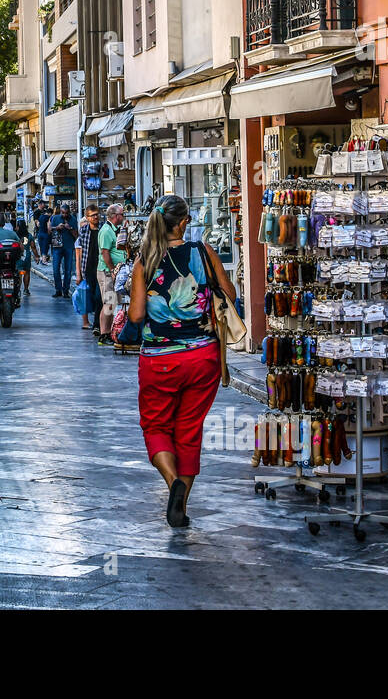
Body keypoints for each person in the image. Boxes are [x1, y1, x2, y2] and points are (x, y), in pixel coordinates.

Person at [129, 195, 237, 528]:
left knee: (157, 426)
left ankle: (172, 480)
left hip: (160, 360)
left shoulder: (144, 260)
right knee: (189, 430)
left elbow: (135, 315)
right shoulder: (203, 253)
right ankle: (181, 506)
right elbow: (229, 295)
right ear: (185, 222)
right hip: (203, 357)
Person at [96, 203, 127, 345]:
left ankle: (107, 332)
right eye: (121, 214)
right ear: (115, 216)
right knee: (109, 302)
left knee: (112, 302)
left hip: (113, 271)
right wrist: (113, 269)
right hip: (107, 272)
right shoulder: (106, 230)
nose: (123, 216)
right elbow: (105, 252)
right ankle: (104, 333)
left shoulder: (114, 229)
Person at [75, 205, 102, 331]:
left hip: (101, 268)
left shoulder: (103, 229)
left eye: (97, 214)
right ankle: (92, 321)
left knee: (99, 296)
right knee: (90, 295)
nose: (96, 217)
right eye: (93, 215)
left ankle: (97, 324)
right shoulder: (84, 231)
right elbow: (79, 254)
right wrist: (79, 273)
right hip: (88, 268)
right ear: (87, 217)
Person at [49, 204, 77, 297]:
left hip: (69, 247)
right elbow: (49, 230)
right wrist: (57, 227)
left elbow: (76, 235)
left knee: (68, 270)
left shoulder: (73, 219)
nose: (64, 215)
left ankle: (66, 291)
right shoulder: (55, 218)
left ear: (69, 212)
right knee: (56, 269)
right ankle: (58, 290)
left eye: (66, 213)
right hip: (57, 246)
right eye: (62, 213)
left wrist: (70, 228)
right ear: (60, 211)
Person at [15, 220, 37, 295]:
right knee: (27, 272)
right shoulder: (29, 235)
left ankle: (18, 290)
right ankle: (26, 289)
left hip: (18, 255)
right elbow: (33, 247)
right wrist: (36, 256)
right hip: (27, 255)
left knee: (19, 273)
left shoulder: (15, 235)